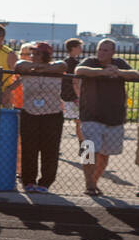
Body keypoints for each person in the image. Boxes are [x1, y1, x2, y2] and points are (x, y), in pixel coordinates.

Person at [74, 38, 139, 196]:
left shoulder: (119, 63)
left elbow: (134, 74)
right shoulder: (90, 61)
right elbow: (79, 71)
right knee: (90, 150)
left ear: (112, 52)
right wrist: (102, 72)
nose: (101, 53)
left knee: (104, 154)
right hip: (91, 115)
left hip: (114, 117)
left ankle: (94, 182)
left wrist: (117, 72)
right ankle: (89, 185)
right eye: (99, 49)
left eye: (105, 50)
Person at [14, 41, 66, 193]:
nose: (33, 56)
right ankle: (29, 181)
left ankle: (45, 182)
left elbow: (62, 66)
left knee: (50, 150)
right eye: (32, 53)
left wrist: (41, 68)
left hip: (52, 115)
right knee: (29, 149)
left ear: (45, 55)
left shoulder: (56, 67)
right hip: (30, 113)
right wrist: (37, 67)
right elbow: (19, 66)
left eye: (37, 53)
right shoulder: (27, 67)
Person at [61, 37, 84, 145]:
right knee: (79, 122)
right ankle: (82, 145)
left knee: (59, 122)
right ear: (73, 48)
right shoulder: (77, 64)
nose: (81, 49)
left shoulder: (63, 63)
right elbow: (76, 82)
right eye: (79, 47)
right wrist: (78, 96)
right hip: (73, 97)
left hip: (62, 96)